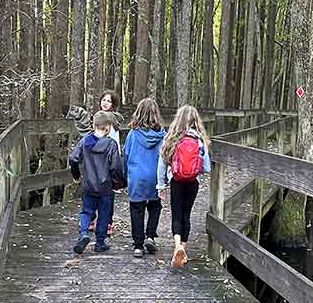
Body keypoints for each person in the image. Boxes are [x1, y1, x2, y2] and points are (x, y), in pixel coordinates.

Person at [156, 105, 211, 268]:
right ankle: (184, 250)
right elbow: (206, 167)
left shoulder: (172, 138)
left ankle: (177, 245)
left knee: (176, 214)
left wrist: (161, 186)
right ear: (196, 121)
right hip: (193, 182)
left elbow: (161, 164)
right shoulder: (200, 140)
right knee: (187, 214)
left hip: (176, 181)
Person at [65, 89, 124, 235]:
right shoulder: (96, 118)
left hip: (107, 158)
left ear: (113, 104)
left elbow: (115, 142)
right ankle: (93, 223)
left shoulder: (114, 121)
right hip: (94, 159)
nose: (105, 103)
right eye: (104, 100)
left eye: (109, 101)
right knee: (98, 195)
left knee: (107, 197)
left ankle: (106, 224)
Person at [123, 98, 166, 258]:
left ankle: (138, 245)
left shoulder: (132, 135)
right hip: (155, 176)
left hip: (136, 176)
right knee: (155, 206)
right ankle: (150, 236)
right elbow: (166, 157)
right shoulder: (163, 135)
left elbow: (126, 156)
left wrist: (126, 176)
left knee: (136, 208)